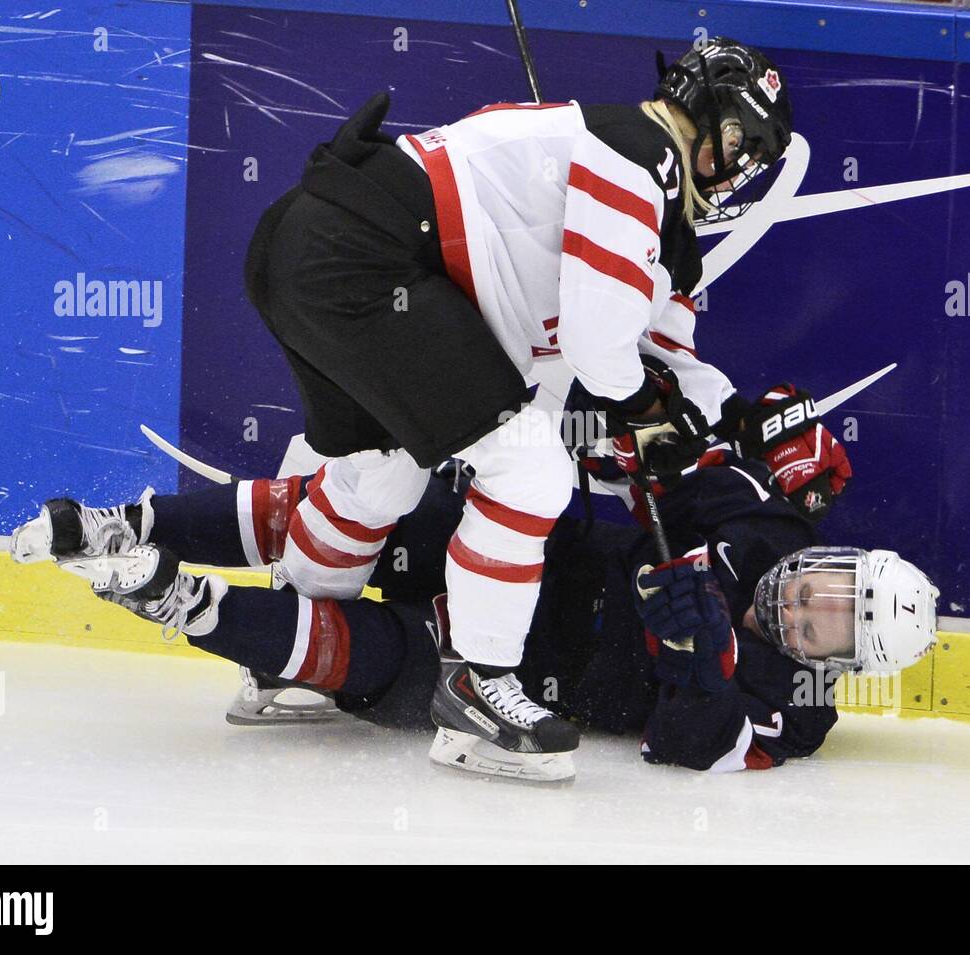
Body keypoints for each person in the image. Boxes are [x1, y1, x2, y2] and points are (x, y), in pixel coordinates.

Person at [200, 36, 796, 773]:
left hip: (307, 246)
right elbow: (599, 341)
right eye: (735, 144)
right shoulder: (641, 153)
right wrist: (643, 405)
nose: (732, 170)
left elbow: (581, 368)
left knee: (383, 474)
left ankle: (286, 664)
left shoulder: (592, 199)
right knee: (530, 474)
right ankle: (476, 692)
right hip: (364, 260)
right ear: (705, 114)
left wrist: (667, 413)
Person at [8, 390, 938, 780]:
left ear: (836, 662)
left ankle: (176, 600)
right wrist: (635, 435)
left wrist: (697, 659)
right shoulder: (761, 520)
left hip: (521, 680)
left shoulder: (795, 711)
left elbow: (686, 746)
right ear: (833, 556)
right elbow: (682, 462)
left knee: (367, 661)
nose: (803, 606)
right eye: (826, 585)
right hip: (524, 555)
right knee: (364, 512)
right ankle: (128, 526)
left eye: (822, 628)